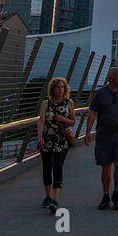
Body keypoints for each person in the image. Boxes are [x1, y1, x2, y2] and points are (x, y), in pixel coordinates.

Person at [85, 66, 118, 210]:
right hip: (104, 135)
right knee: (106, 166)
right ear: (111, 77)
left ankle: (117, 192)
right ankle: (106, 195)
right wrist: (88, 131)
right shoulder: (100, 93)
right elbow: (93, 112)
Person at [36, 76, 75, 212]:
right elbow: (41, 120)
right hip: (47, 139)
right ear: (52, 89)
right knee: (47, 168)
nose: (60, 89)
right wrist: (39, 136)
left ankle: (55, 199)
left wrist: (62, 118)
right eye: (57, 87)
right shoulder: (46, 103)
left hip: (61, 140)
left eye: (62, 87)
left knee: (58, 168)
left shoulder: (69, 103)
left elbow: (72, 121)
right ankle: (48, 196)